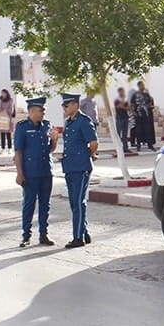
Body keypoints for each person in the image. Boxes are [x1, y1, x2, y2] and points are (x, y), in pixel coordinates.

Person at [15, 97, 58, 247]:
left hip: (46, 171)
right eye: (41, 110)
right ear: (31, 111)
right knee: (29, 204)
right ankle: (26, 236)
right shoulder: (22, 127)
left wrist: (54, 141)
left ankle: (43, 235)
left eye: (44, 110)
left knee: (45, 205)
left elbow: (50, 149)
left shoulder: (47, 125)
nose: (43, 113)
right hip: (30, 173)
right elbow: (18, 152)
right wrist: (19, 173)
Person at [60, 93, 98, 248]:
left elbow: (94, 143)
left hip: (81, 167)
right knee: (73, 203)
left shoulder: (84, 121)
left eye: (66, 105)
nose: (64, 108)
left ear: (75, 105)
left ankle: (78, 238)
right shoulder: (69, 122)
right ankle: (84, 232)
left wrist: (85, 156)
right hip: (69, 167)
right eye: (63, 106)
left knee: (78, 202)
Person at [130, 80, 157, 152]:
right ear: (139, 86)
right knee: (138, 131)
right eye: (142, 85)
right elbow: (132, 104)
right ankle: (138, 146)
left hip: (146, 115)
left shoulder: (146, 94)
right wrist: (133, 112)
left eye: (144, 85)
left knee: (148, 130)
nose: (143, 86)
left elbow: (150, 103)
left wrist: (149, 107)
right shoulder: (135, 95)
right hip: (138, 115)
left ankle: (150, 145)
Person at [113, 87, 132, 153]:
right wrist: (124, 104)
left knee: (125, 134)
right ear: (119, 92)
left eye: (123, 91)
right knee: (118, 133)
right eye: (122, 92)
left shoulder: (126, 100)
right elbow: (119, 106)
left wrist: (124, 106)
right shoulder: (117, 100)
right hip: (119, 118)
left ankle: (125, 148)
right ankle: (117, 148)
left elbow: (129, 108)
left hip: (125, 117)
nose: (123, 93)